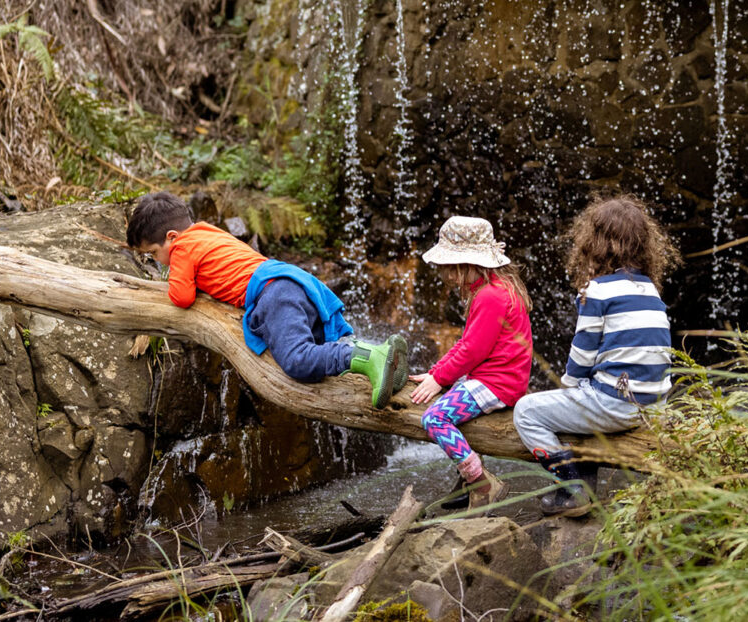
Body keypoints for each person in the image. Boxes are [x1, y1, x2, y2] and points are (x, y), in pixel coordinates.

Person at [125, 191, 407, 407]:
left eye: (152, 253)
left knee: (297, 360)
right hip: (288, 280)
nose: (156, 261)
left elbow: (182, 296)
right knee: (318, 345)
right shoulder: (205, 232)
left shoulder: (183, 248)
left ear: (172, 237)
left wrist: (171, 277)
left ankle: (369, 356)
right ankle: (382, 360)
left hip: (271, 292)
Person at [513, 194, 678, 516]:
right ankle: (586, 479)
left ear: (594, 243)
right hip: (655, 407)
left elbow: (583, 352)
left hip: (616, 406)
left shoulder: (598, 290)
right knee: (581, 398)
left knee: (528, 411)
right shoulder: (649, 289)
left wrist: (568, 385)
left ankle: (572, 489)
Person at [410, 216, 533, 512]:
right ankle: (465, 481)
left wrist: (439, 379)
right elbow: (467, 344)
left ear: (468, 263)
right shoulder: (496, 287)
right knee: (447, 398)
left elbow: (473, 350)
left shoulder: (490, 296)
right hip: (496, 377)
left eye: (450, 269)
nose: (447, 277)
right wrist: (435, 373)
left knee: (434, 418)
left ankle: (480, 483)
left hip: (497, 384)